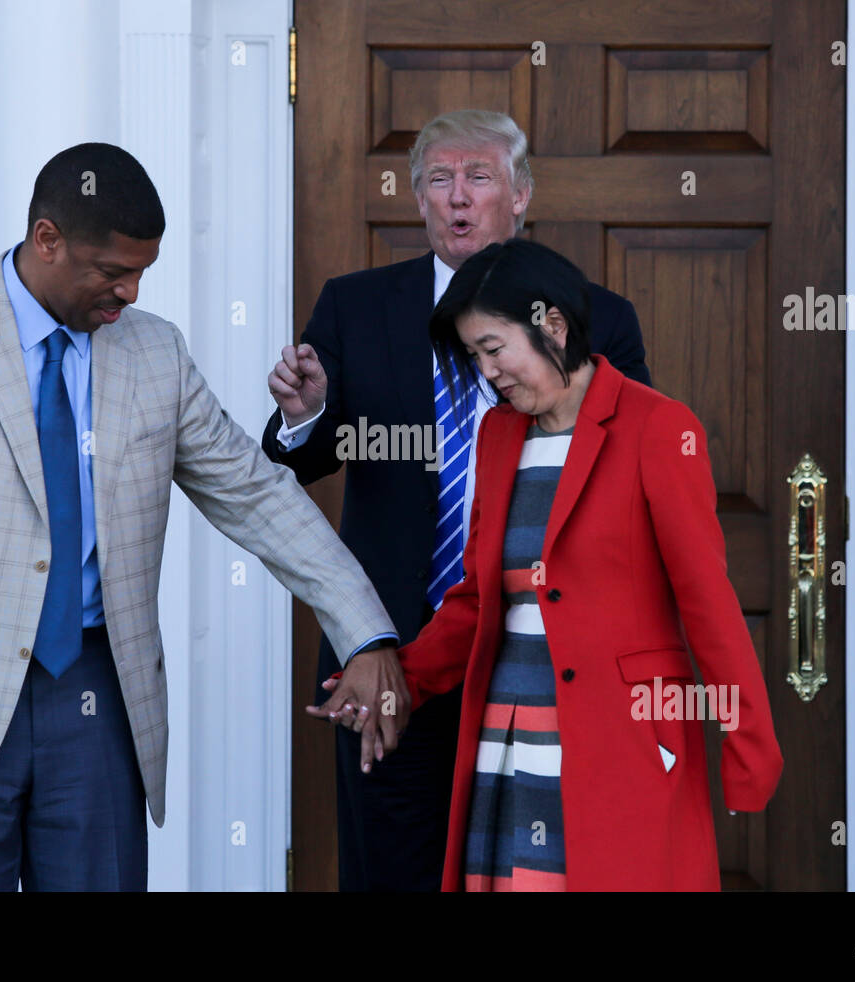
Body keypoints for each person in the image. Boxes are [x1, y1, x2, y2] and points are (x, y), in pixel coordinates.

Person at [0, 142, 407, 891]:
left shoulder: (155, 353)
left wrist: (365, 629)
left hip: (97, 700)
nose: (129, 293)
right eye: (112, 271)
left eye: (141, 273)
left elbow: (256, 494)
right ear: (47, 241)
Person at [313, 239, 783, 890]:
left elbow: (708, 605)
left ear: (552, 325)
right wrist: (399, 682)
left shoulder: (657, 428)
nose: (487, 372)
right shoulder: (500, 435)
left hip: (623, 745)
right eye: (474, 356)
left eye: (494, 348)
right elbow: (477, 601)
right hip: (511, 736)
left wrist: (749, 748)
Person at [264, 109, 651, 891]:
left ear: (522, 195)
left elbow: (629, 487)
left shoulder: (597, 317)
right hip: (388, 656)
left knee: (534, 871)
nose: (458, 198)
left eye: (479, 177)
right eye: (439, 180)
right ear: (418, 200)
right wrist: (304, 415)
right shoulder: (356, 305)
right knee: (393, 870)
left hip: (543, 654)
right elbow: (297, 463)